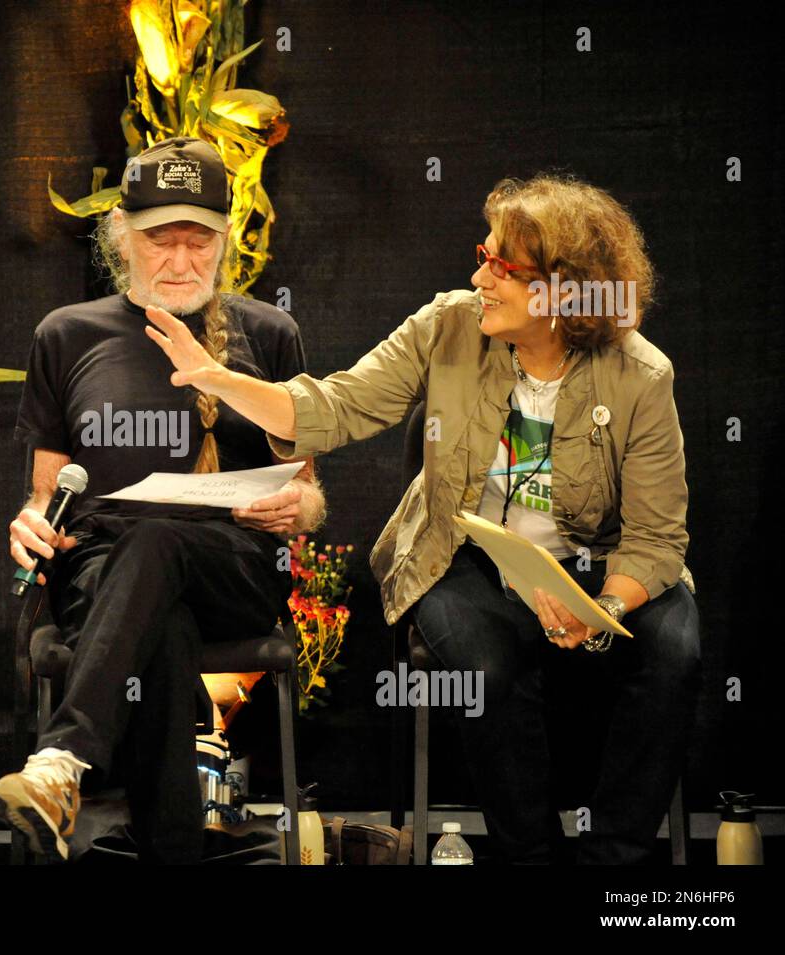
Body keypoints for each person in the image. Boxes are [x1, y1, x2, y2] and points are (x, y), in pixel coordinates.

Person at [145, 173, 701, 864]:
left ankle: (616, 856)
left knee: (674, 649)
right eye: (484, 253)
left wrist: (605, 603)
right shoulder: (449, 325)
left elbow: (656, 538)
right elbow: (336, 405)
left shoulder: (642, 375)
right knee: (488, 665)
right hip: (458, 549)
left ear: (564, 290)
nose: (480, 276)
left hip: (598, 560)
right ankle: (529, 855)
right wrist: (218, 378)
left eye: (503, 266)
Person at [0, 137, 325, 863]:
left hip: (231, 567)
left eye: (197, 242)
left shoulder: (270, 334)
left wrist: (299, 511)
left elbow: (308, 494)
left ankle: (61, 763)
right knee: (159, 615)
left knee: (161, 541)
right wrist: (28, 522)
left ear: (224, 240)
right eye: (158, 241)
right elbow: (44, 494)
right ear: (120, 237)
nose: (179, 262)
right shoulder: (67, 334)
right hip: (102, 571)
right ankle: (170, 847)